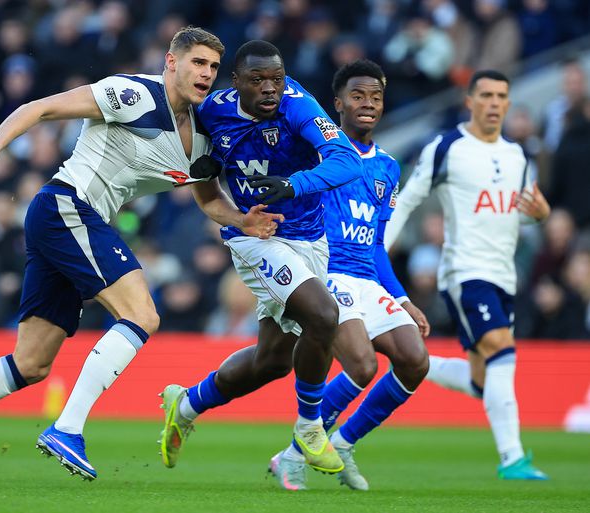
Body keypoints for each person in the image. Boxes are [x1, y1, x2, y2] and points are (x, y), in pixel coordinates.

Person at [0, 27, 280, 484]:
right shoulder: (132, 94)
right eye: (197, 62)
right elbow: (42, 107)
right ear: (172, 62)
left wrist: (241, 220)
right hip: (67, 206)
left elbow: (208, 201)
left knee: (30, 364)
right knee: (142, 314)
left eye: (212, 67)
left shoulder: (205, 138)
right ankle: (68, 428)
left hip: (70, 221)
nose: (205, 73)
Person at [159, 40, 363, 475]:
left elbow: (347, 161)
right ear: (236, 84)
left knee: (272, 361)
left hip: (310, 239)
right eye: (258, 81)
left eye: (276, 78)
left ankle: (188, 404)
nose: (270, 88)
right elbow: (201, 183)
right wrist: (218, 189)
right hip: (254, 237)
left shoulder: (298, 105)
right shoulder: (211, 113)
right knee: (324, 316)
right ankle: (310, 427)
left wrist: (294, 185)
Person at [267, 59, 429, 491]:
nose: (368, 104)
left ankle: (343, 442)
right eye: (358, 96)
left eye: (376, 97)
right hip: (327, 273)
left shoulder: (389, 167)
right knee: (362, 364)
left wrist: (404, 299)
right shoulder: (319, 151)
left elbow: (376, 245)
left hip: (368, 280)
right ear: (337, 104)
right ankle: (295, 454)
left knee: (415, 361)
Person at [384, 70, 551, 480]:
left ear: (509, 104)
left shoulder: (517, 156)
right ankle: (512, 458)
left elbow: (519, 216)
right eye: (487, 95)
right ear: (470, 101)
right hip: (465, 271)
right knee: (500, 345)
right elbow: (406, 201)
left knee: (482, 379)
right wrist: (374, 254)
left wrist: (540, 216)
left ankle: (418, 365)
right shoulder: (447, 148)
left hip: (503, 275)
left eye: (501, 96)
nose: (494, 103)